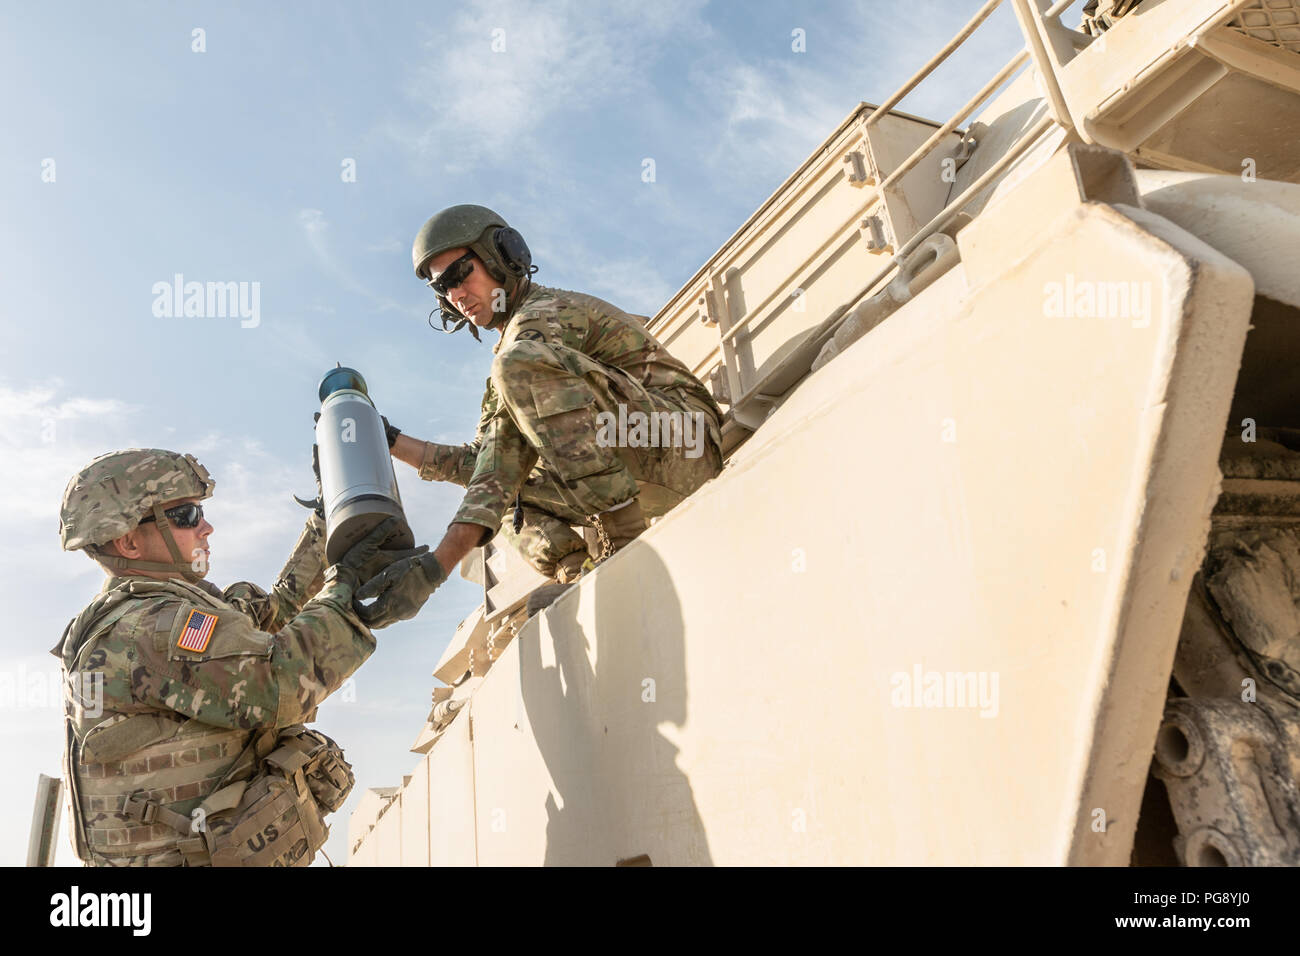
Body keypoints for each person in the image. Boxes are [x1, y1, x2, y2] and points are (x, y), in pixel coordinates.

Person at [54, 448, 420, 866]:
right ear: (129, 541)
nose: (206, 527)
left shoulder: (159, 613)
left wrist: (327, 519)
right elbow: (282, 682)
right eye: (186, 516)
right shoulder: (146, 629)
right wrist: (348, 592)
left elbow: (274, 613)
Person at [361, 204, 724, 625]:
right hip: (648, 463)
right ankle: (573, 566)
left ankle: (624, 539)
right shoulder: (515, 358)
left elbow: (497, 466)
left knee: (501, 453)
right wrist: (388, 441)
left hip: (685, 441)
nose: (455, 294)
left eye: (460, 274)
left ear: (502, 256)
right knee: (494, 485)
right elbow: (485, 466)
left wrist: (434, 569)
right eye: (442, 288)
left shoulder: (541, 321)